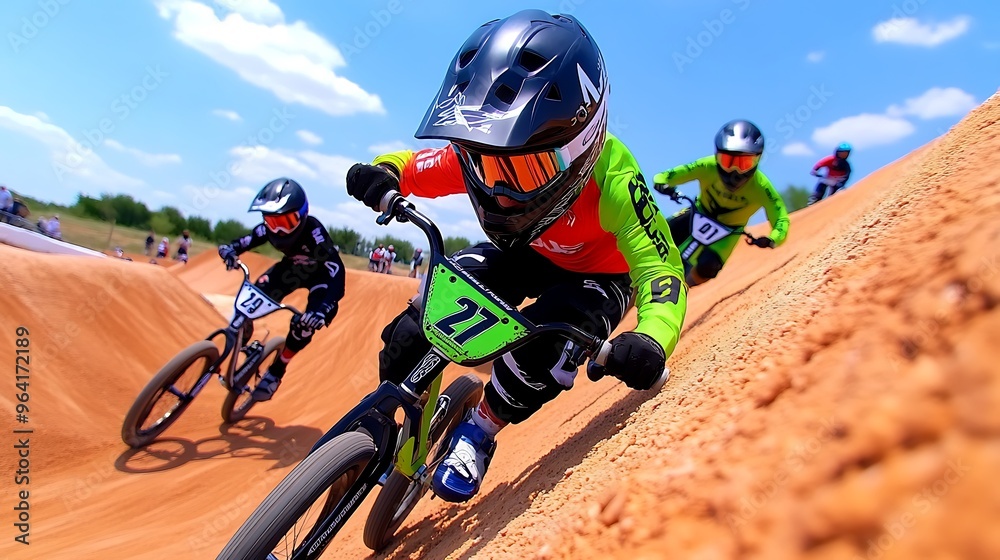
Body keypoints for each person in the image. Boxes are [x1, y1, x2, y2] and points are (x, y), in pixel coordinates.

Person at [346, 9, 686, 503]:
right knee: (419, 323)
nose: (499, 189)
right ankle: (390, 419)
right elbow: (414, 165)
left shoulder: (616, 180)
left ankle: (480, 430)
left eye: (525, 169)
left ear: (582, 147)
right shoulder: (485, 154)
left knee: (543, 351)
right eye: (481, 157)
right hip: (524, 252)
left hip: (599, 275)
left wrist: (652, 337)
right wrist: (382, 173)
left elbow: (660, 269)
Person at [218, 178, 346, 401]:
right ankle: (242, 338)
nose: (278, 229)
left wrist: (323, 309)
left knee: (303, 326)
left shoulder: (315, 233)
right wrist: (230, 250)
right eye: (271, 220)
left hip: (320, 278)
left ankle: (277, 372)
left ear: (302, 215)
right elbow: (245, 241)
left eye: (286, 221)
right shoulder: (266, 230)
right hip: (290, 271)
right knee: (250, 298)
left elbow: (337, 271)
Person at [653, 120, 790, 287]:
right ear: (716, 156)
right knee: (656, 235)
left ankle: (683, 289)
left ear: (758, 159)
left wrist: (772, 239)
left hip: (729, 232)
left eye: (743, 163)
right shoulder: (707, 165)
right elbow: (667, 175)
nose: (734, 171)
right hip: (697, 212)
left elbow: (781, 217)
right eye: (727, 161)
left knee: (708, 267)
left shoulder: (762, 188)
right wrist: (663, 183)